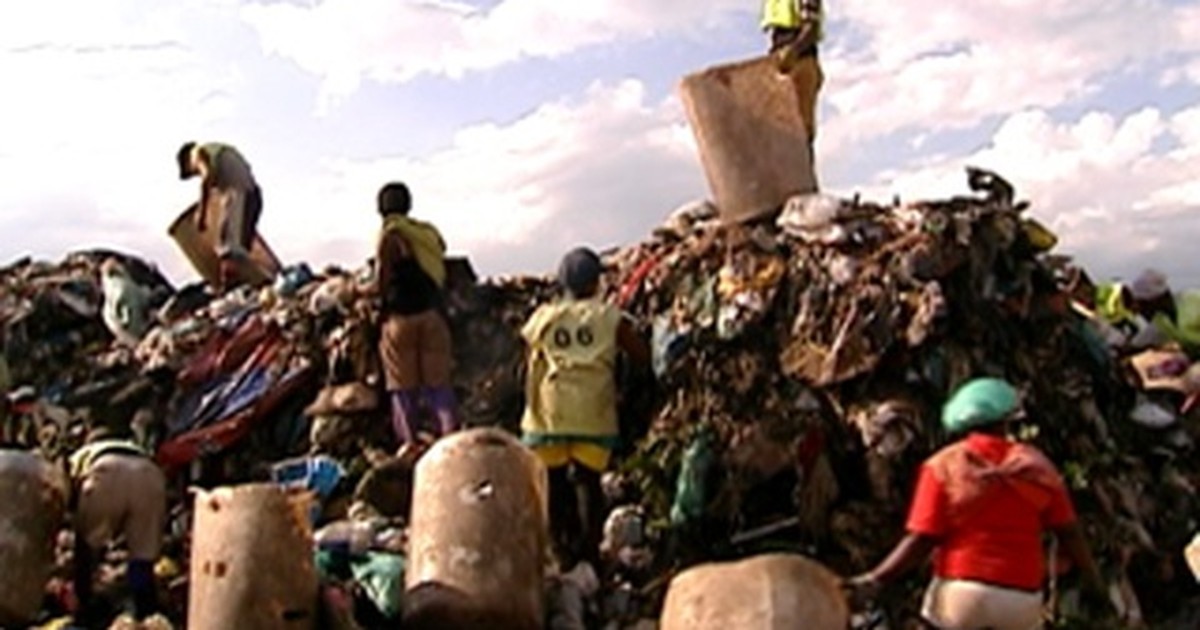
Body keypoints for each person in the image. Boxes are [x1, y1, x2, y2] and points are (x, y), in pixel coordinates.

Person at [847, 377, 1112, 630]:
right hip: (1020, 598)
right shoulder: (1037, 466)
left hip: (960, 593)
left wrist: (875, 579)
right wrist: (1095, 584)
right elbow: (1070, 533)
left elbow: (921, 539)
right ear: (1008, 420)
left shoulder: (943, 466)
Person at [520, 247, 650, 573]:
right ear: (596, 283)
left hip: (550, 413)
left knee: (554, 483)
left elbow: (527, 358)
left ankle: (561, 551)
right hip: (593, 411)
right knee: (589, 483)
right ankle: (590, 556)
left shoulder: (544, 316)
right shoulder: (608, 317)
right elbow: (640, 356)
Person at [373, 182, 458, 446]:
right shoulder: (425, 234)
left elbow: (382, 279)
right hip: (432, 316)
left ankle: (409, 448)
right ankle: (450, 442)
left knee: (402, 389)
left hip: (400, 322)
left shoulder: (390, 234)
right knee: (438, 386)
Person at [69, 426, 167, 622]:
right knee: (143, 553)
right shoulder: (135, 447)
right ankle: (145, 611)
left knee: (87, 544)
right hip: (150, 474)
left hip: (106, 472)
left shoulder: (82, 454)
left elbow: (70, 491)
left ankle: (85, 606)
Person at [176, 141, 263, 291]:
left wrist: (202, 215)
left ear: (186, 161)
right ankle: (253, 285)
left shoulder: (196, 153)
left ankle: (229, 286)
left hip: (239, 193)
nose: (195, 174)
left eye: (192, 172)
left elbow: (206, 177)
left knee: (227, 246)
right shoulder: (217, 151)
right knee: (241, 249)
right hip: (253, 195)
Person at [762, 0, 824, 163]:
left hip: (800, 60)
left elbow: (811, 29)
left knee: (800, 132)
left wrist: (793, 52)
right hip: (782, 61)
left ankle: (802, 180)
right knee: (781, 130)